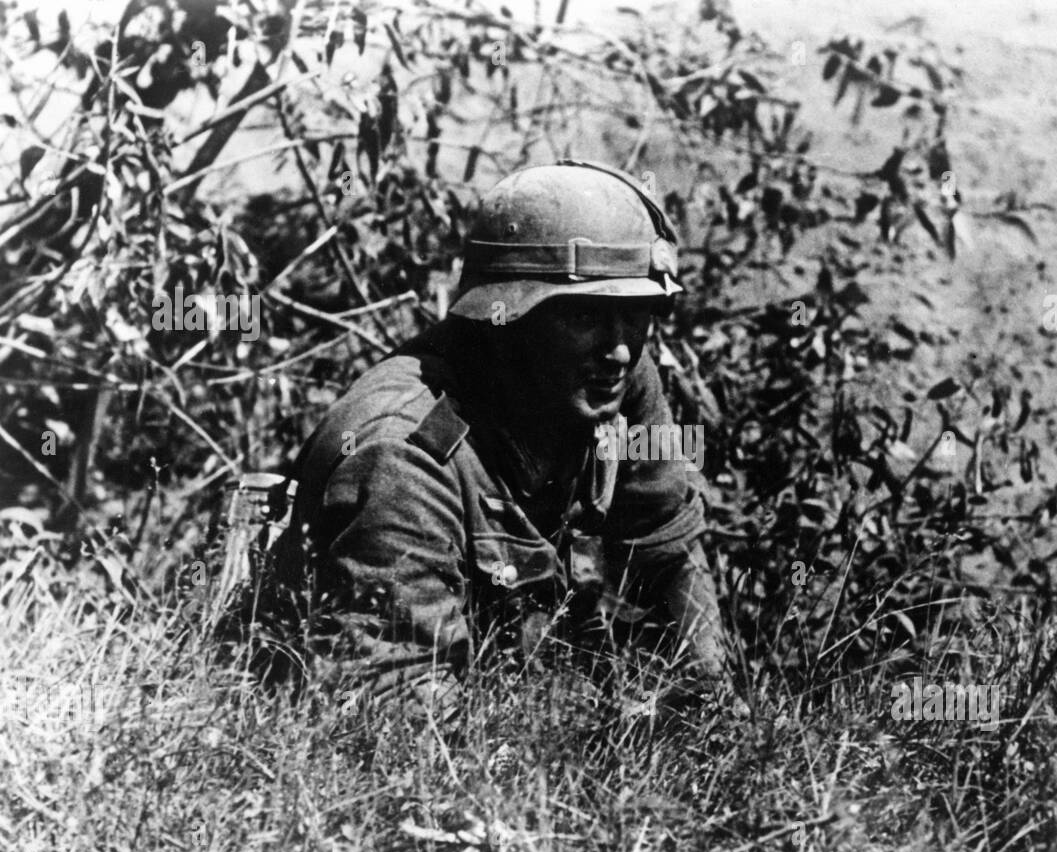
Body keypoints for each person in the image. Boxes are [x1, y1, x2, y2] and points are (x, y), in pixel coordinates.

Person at [266, 159, 730, 717]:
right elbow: (394, 713)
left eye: (636, 315)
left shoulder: (612, 379)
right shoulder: (404, 455)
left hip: (520, 694)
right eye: (584, 316)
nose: (621, 349)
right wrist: (584, 750)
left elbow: (667, 547)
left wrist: (711, 709)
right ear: (504, 320)